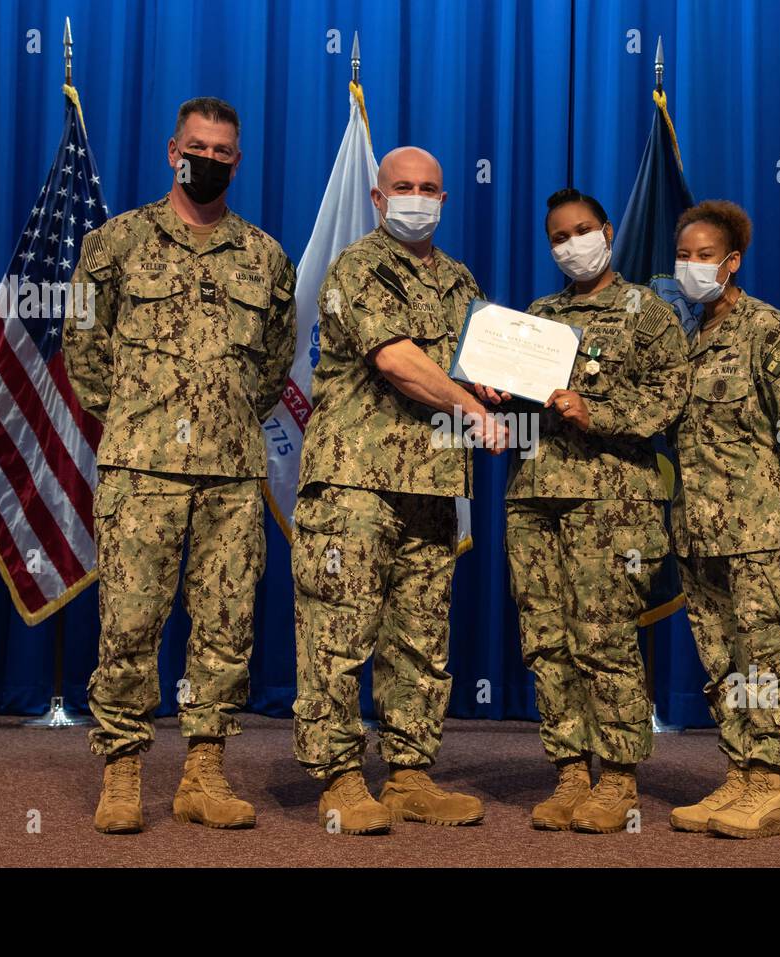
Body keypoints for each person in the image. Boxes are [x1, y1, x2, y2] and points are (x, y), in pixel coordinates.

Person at [64, 97, 297, 834]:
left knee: (225, 626)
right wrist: (137, 417)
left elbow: (274, 364)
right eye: (198, 146)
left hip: (231, 471)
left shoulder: (264, 255)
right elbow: (82, 347)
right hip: (142, 469)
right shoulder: (116, 243)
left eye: (223, 150)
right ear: (173, 151)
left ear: (237, 160)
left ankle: (204, 768)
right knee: (129, 621)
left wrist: (224, 420)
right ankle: (124, 768)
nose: (209, 158)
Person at [292, 146, 508, 835]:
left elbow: (473, 364)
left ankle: (410, 773)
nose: (417, 197)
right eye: (403, 187)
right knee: (338, 630)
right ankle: (340, 776)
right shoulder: (358, 266)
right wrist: (473, 408)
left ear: (445, 200)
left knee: (420, 637)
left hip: (433, 485)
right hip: (355, 481)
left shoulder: (460, 279)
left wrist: (496, 383)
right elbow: (398, 361)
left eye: (430, 189)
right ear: (380, 199)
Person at [476, 188, 689, 833]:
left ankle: (618, 777)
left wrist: (600, 414)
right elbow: (519, 415)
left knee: (605, 640)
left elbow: (671, 401)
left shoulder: (646, 312)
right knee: (547, 641)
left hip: (612, 503)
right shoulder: (537, 317)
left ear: (607, 230)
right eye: (560, 237)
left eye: (583, 230)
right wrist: (495, 393)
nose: (573, 244)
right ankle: (570, 769)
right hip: (535, 497)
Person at [666, 200, 780, 838]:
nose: (691, 266)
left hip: (760, 531)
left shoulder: (770, 332)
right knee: (723, 658)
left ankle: (772, 785)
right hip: (697, 531)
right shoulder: (682, 337)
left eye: (704, 256)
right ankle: (739, 773)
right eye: (683, 256)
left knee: (768, 658)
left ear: (732, 261)